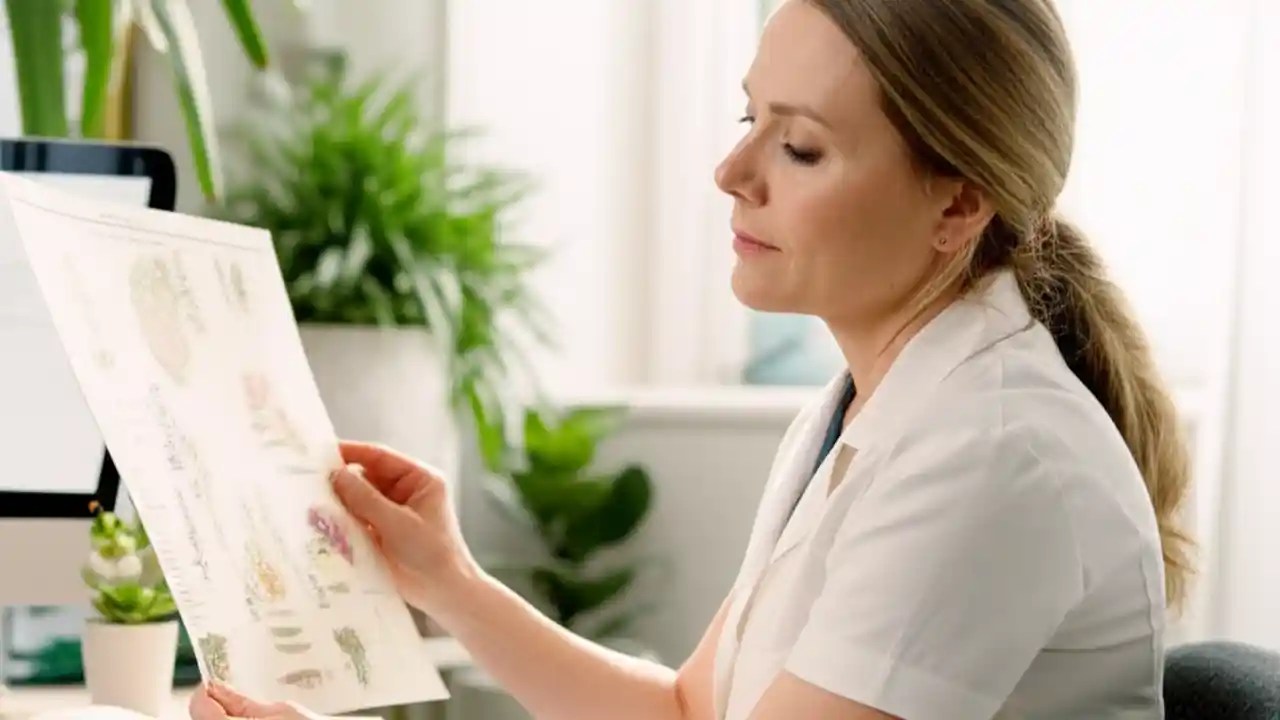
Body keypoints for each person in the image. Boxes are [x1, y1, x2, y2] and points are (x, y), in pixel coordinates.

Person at [191, 0, 1194, 718]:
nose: (730, 172)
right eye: (747, 119)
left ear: (958, 202)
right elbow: (681, 708)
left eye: (798, 148)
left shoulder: (990, 453)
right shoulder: (862, 411)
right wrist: (448, 580)